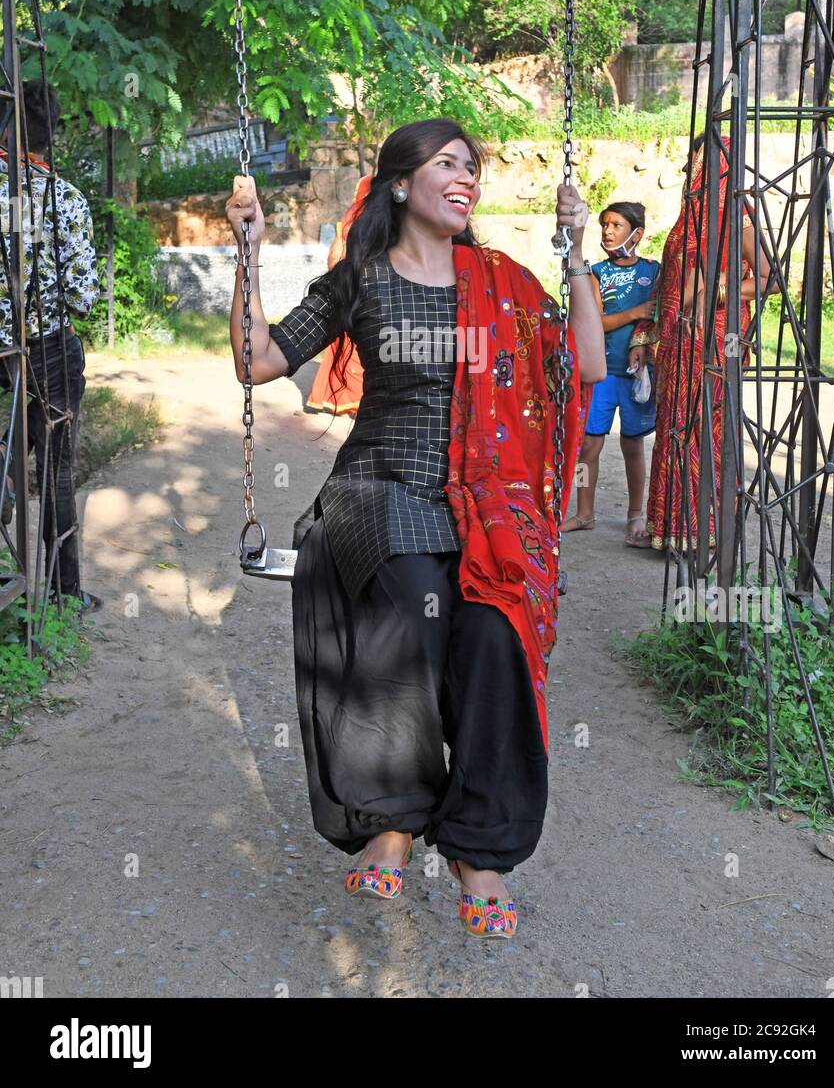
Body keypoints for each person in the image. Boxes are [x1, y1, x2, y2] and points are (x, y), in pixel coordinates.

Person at [226, 117, 605, 939]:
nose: (466, 176)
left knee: (495, 629)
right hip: (380, 487)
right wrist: (249, 249)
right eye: (447, 163)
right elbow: (257, 360)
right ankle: (394, 816)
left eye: (473, 165)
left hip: (482, 500)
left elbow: (587, 364)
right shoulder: (361, 278)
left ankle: (480, 845)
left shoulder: (501, 279)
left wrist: (576, 253)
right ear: (401, 183)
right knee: (414, 593)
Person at [634, 133, 772, 553]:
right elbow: (670, 283)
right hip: (677, 341)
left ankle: (703, 531)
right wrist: (645, 335)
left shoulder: (736, 213)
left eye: (703, 160)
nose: (692, 169)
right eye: (692, 160)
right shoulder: (687, 217)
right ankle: (669, 527)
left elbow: (768, 278)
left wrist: (712, 291)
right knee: (674, 426)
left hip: (715, 340)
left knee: (703, 429)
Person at [0, 79, 102, 610]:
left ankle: (7, 474)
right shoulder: (64, 199)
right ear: (51, 133)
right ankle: (65, 594)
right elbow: (82, 298)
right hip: (45, 349)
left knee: (21, 432)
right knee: (58, 468)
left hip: (0, 353)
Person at [562, 201, 660, 546]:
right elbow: (596, 322)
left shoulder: (654, 271)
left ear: (637, 233)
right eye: (604, 224)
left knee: (633, 445)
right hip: (602, 372)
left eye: (616, 225)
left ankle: (636, 515)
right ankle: (584, 512)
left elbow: (661, 316)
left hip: (636, 374)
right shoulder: (595, 273)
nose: (607, 231)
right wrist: (636, 311)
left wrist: (643, 327)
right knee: (587, 445)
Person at [305, 172, 372, 417]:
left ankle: (334, 398)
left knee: (342, 344)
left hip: (347, 286)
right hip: (371, 291)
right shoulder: (388, 221)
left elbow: (334, 257)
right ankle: (354, 401)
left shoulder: (350, 217)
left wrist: (339, 283)